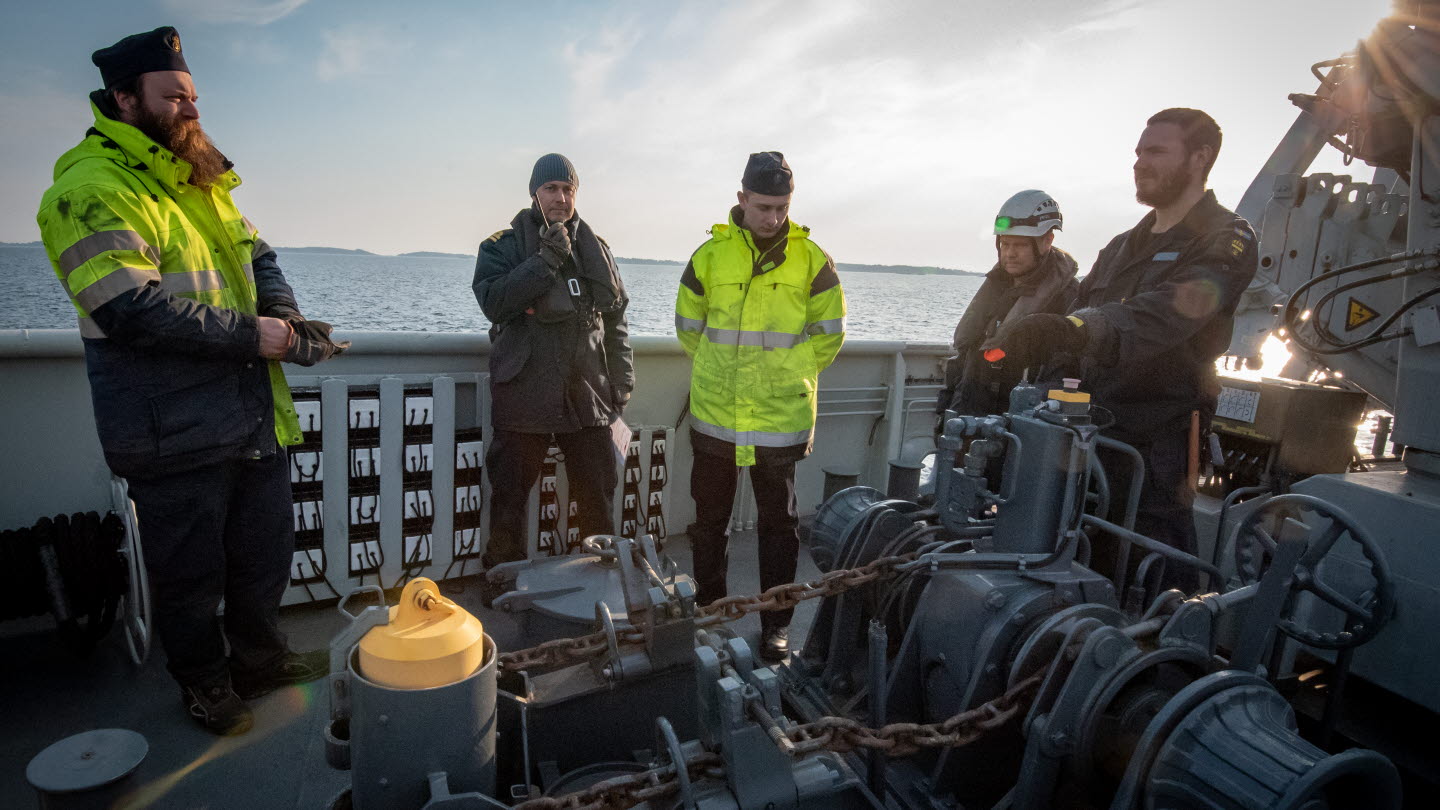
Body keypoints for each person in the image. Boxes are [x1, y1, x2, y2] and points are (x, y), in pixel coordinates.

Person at [36, 27, 343, 735]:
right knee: (190, 575)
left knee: (263, 556)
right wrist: (256, 336)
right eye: (174, 97)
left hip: (247, 413)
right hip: (169, 428)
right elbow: (128, 310)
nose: (192, 109)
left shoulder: (203, 180)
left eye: (194, 96)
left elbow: (260, 256)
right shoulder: (89, 187)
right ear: (124, 99)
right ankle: (205, 683)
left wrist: (285, 317)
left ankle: (259, 661)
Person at [982, 108, 1258, 593]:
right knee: (1082, 550)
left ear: (1199, 158)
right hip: (1091, 431)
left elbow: (1168, 311)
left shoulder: (1227, 238)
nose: (1139, 162)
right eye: (1138, 152)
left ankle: (1168, 635)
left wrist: (1076, 329)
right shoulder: (1121, 246)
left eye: (1156, 151)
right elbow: (1075, 322)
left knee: (1154, 566)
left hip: (1159, 439)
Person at [675, 152, 846, 661]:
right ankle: (710, 613)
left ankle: (777, 625)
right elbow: (689, 328)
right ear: (742, 199)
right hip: (716, 414)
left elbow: (830, 334)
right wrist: (719, 373)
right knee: (710, 522)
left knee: (779, 528)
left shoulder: (812, 259)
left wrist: (791, 374)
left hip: (779, 418)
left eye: (782, 208)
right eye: (764, 207)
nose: (774, 218)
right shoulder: (709, 256)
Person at [472, 154, 633, 572]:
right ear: (534, 194)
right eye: (551, 189)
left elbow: (615, 319)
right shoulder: (502, 247)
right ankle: (502, 579)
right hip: (524, 392)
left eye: (568, 189)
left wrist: (621, 380)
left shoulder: (597, 251)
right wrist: (545, 261)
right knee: (510, 497)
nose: (560, 197)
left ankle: (599, 576)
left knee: (597, 496)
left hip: (588, 394)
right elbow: (494, 302)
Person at [935, 190, 1078, 425]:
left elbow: (1062, 377)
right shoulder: (997, 289)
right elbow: (963, 357)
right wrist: (944, 413)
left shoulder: (1068, 299)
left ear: (1047, 241)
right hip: (966, 419)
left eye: (1020, 245)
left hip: (1014, 427)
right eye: (1004, 244)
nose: (1010, 253)